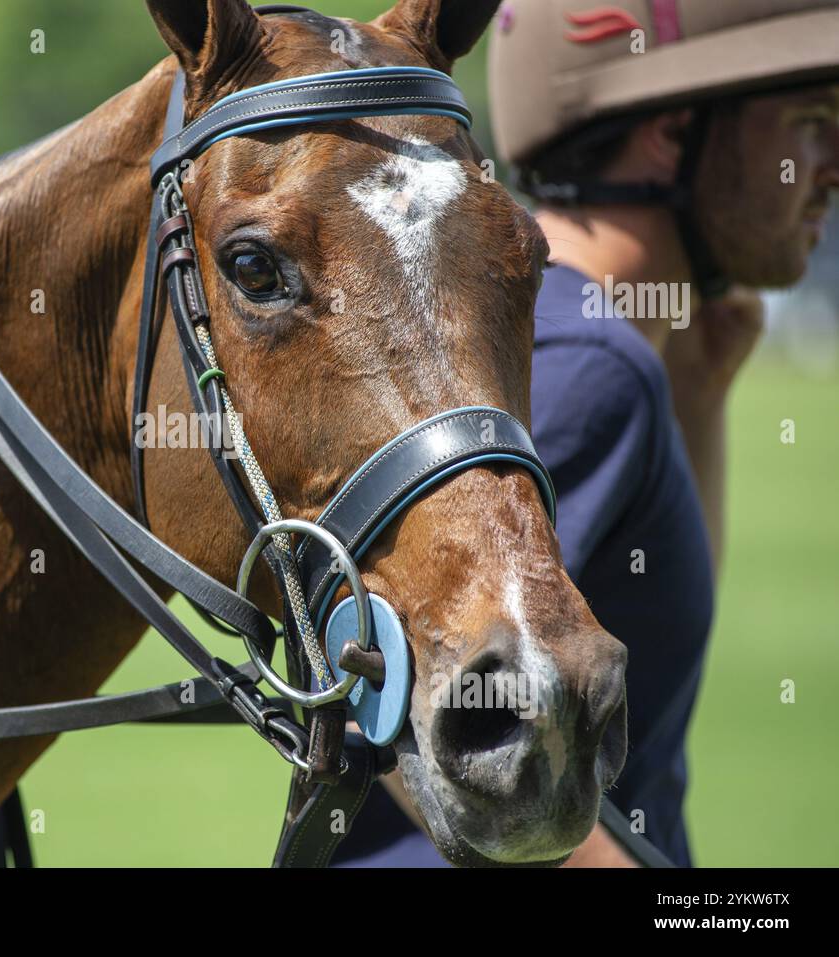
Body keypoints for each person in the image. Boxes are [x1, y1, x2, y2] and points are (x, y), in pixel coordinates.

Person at [333, 0, 839, 867]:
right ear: (673, 133)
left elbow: (653, 657)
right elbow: (378, 670)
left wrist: (700, 395)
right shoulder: (593, 361)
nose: (830, 168)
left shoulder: (592, 344)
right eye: (813, 124)